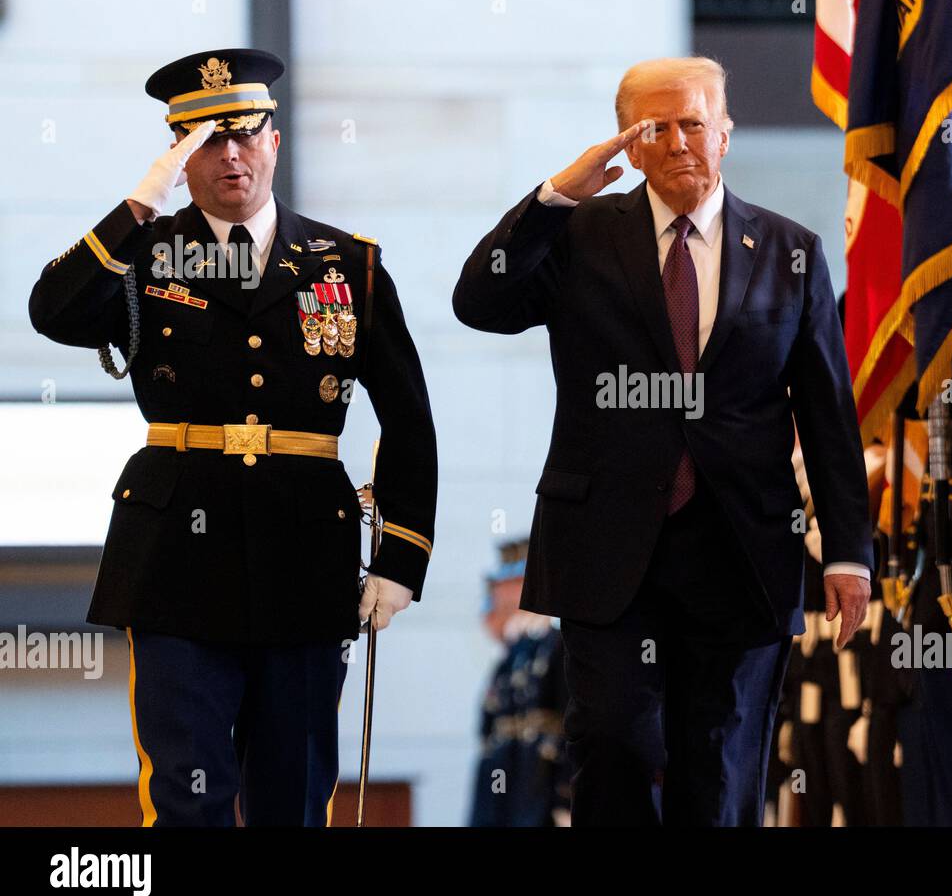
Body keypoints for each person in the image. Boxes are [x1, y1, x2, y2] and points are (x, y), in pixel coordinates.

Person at [453, 56, 874, 826]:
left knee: (719, 772)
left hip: (743, 552)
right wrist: (555, 196)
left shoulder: (791, 252)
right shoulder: (580, 235)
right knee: (613, 744)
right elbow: (480, 300)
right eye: (656, 128)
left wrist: (847, 552)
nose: (679, 141)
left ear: (725, 133)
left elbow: (828, 416)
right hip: (608, 549)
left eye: (693, 122)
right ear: (630, 143)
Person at [28, 48, 437, 826]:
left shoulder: (349, 265)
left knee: (293, 794)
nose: (231, 155)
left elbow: (408, 416)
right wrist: (138, 204)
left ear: (274, 142)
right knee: (187, 796)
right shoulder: (143, 255)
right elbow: (52, 310)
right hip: (175, 562)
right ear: (180, 157)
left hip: (305, 558)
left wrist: (401, 558)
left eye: (245, 134)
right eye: (206, 140)